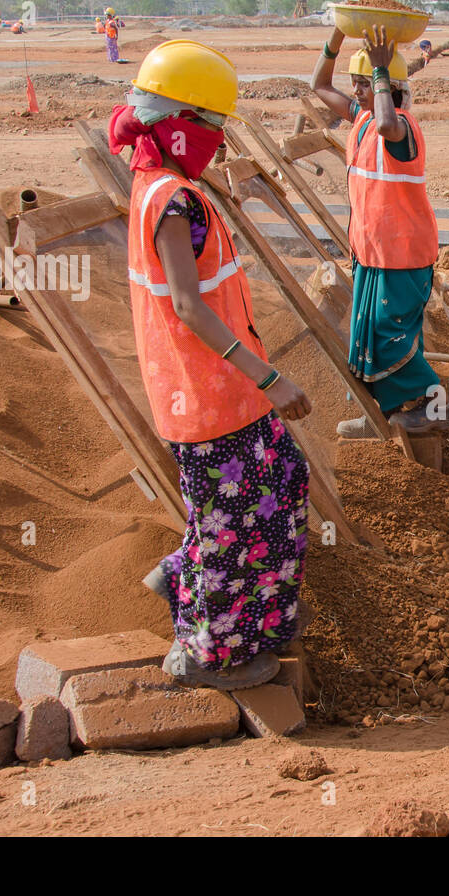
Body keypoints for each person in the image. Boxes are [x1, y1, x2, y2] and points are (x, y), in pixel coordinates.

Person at [109, 40, 312, 689]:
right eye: (213, 130)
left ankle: (243, 606)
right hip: (207, 398)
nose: (219, 145)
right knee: (230, 529)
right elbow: (192, 308)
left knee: (283, 482)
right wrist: (271, 378)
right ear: (178, 124)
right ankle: (209, 653)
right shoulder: (170, 201)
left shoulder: (162, 182)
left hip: (222, 391)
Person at [311, 24, 448, 436]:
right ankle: (385, 413)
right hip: (372, 253)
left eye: (364, 84)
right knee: (368, 334)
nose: (357, 92)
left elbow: (388, 123)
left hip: (402, 254)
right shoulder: (363, 121)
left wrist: (382, 70)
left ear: (390, 87)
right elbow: (318, 85)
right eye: (355, 84)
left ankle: (435, 404)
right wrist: (336, 37)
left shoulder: (401, 127)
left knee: (389, 331)